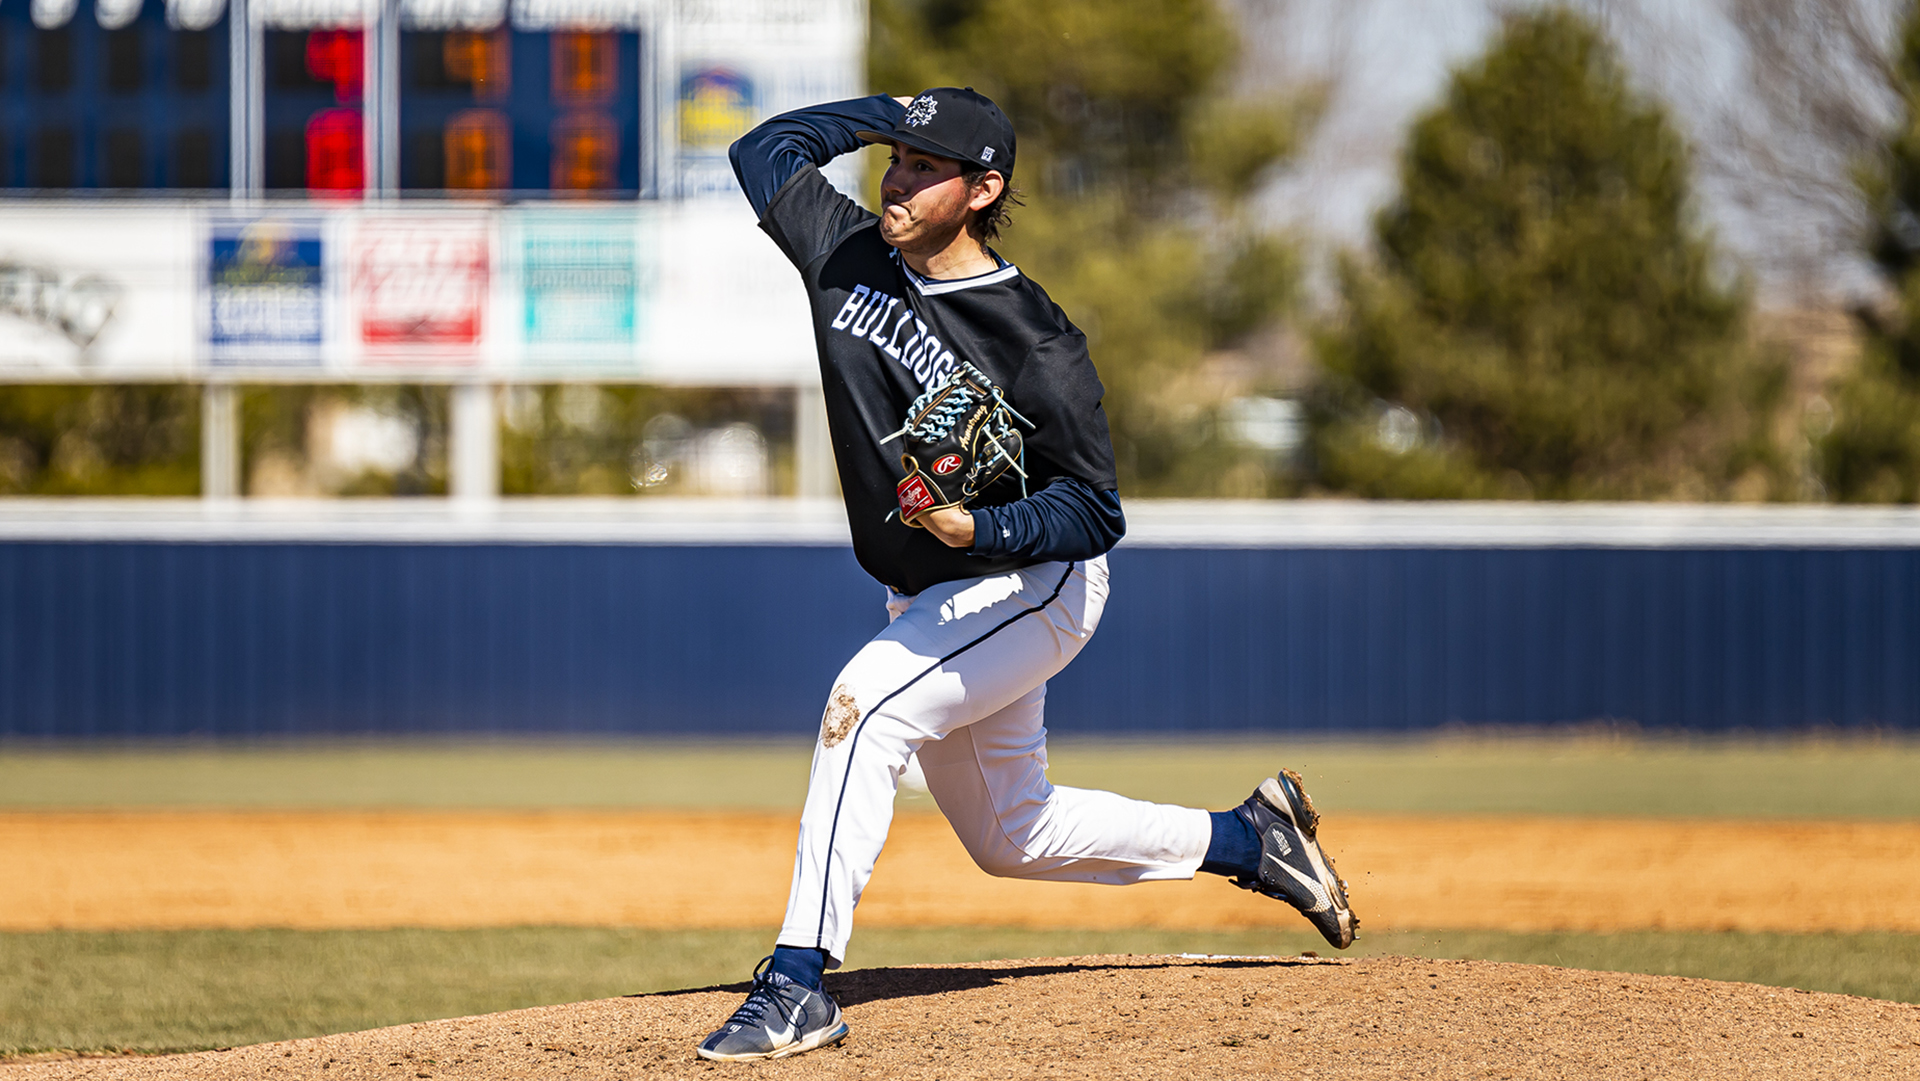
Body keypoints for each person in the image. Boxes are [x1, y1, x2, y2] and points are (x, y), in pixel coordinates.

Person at [696, 87, 1357, 1063]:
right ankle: (1248, 839)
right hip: (934, 594)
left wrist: (979, 524)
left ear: (983, 189)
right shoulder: (845, 254)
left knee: (864, 703)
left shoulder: (1036, 341)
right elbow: (765, 150)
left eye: (927, 167)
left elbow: (1095, 511)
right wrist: (897, 113)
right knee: (1013, 834)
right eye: (897, 159)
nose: (899, 177)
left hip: (1038, 582)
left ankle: (798, 981)